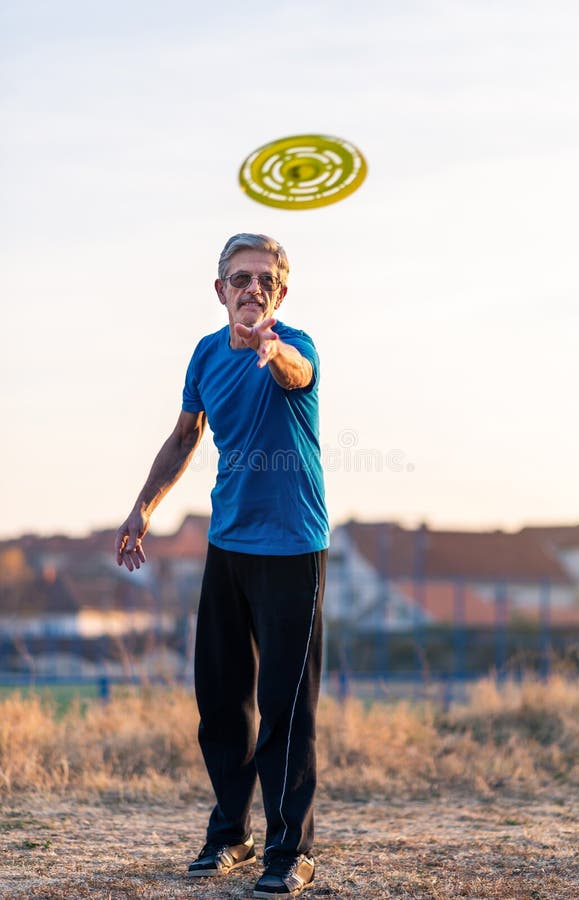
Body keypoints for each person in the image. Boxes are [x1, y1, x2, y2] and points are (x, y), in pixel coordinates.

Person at [114, 233, 329, 897]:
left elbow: (296, 371)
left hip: (293, 547)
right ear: (220, 290)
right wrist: (142, 508)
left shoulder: (294, 346)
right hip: (227, 545)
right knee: (220, 702)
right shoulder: (205, 355)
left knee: (284, 711)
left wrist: (270, 348)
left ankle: (289, 850)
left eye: (265, 279)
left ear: (280, 292)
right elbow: (185, 437)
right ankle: (230, 834)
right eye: (240, 278)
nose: (251, 288)